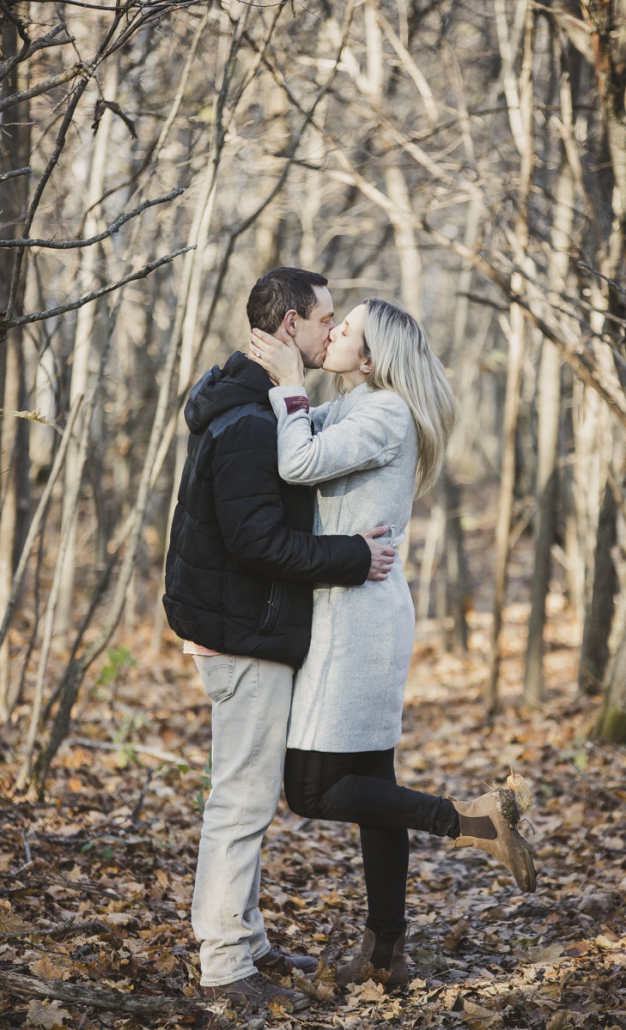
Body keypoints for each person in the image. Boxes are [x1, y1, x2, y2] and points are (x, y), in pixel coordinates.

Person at [249, 298, 536, 989]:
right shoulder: (357, 404)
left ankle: (470, 823)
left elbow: (296, 463)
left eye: (344, 329)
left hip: (356, 623)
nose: (332, 333)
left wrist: (290, 383)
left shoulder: (383, 412)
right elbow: (287, 437)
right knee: (372, 788)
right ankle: (385, 953)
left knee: (313, 792)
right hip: (353, 612)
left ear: (372, 356)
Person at [163, 268, 398, 1012]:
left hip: (243, 625)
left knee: (250, 797)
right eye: (325, 318)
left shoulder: (252, 402)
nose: (332, 332)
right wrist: (354, 558)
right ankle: (225, 965)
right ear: (290, 325)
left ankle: (248, 938)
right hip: (241, 633)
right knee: (240, 803)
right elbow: (255, 540)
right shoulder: (250, 422)